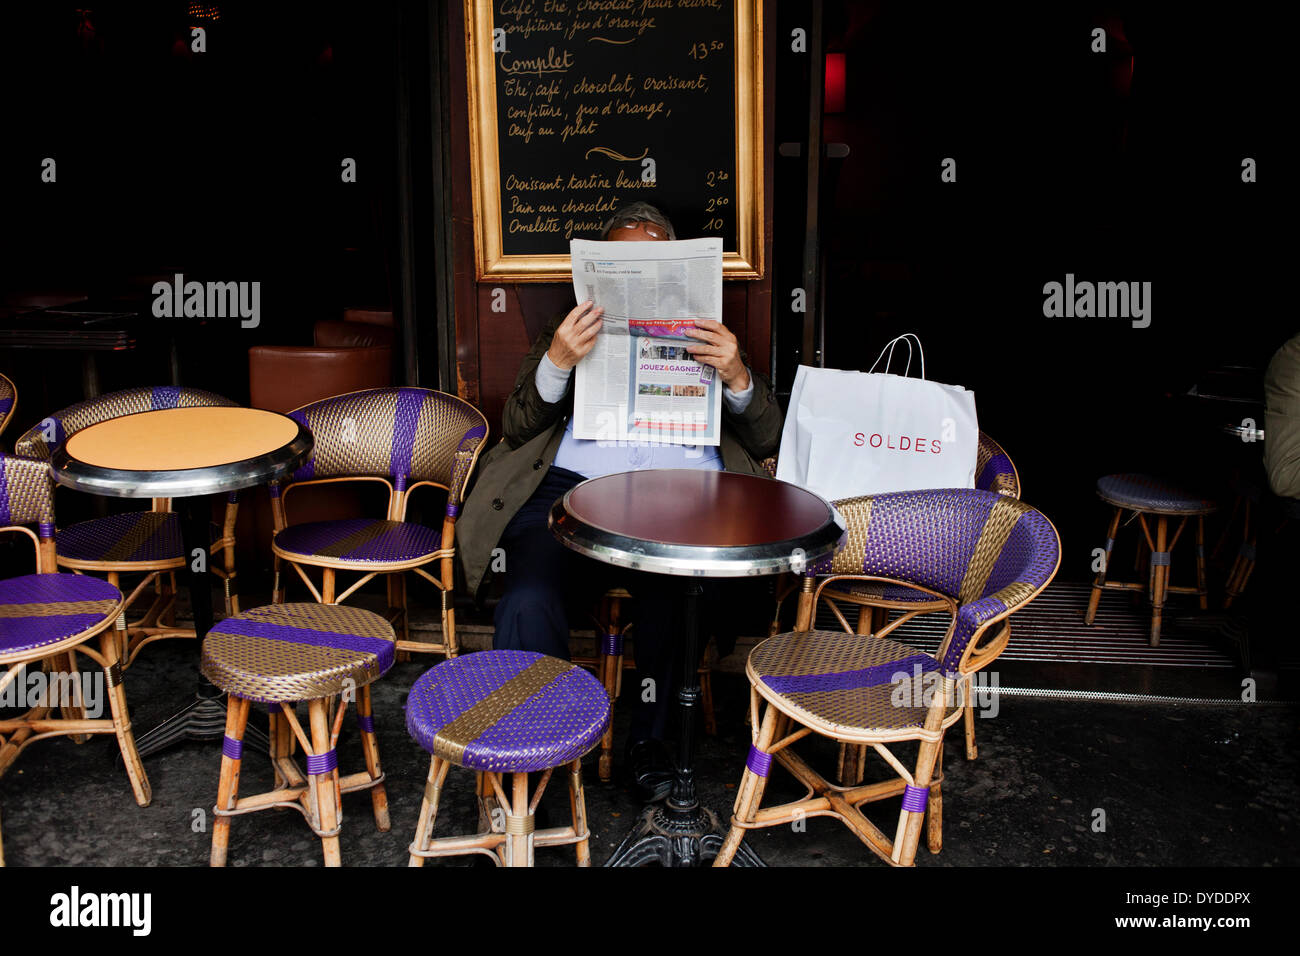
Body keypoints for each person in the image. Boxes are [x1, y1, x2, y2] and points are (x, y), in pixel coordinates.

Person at [458, 201, 783, 800]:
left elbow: (767, 437)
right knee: (528, 595)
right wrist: (557, 362)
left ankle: (651, 748)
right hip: (572, 493)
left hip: (685, 498)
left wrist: (736, 375)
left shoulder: (711, 335)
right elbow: (517, 426)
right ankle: (533, 750)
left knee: (679, 600)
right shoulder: (568, 328)